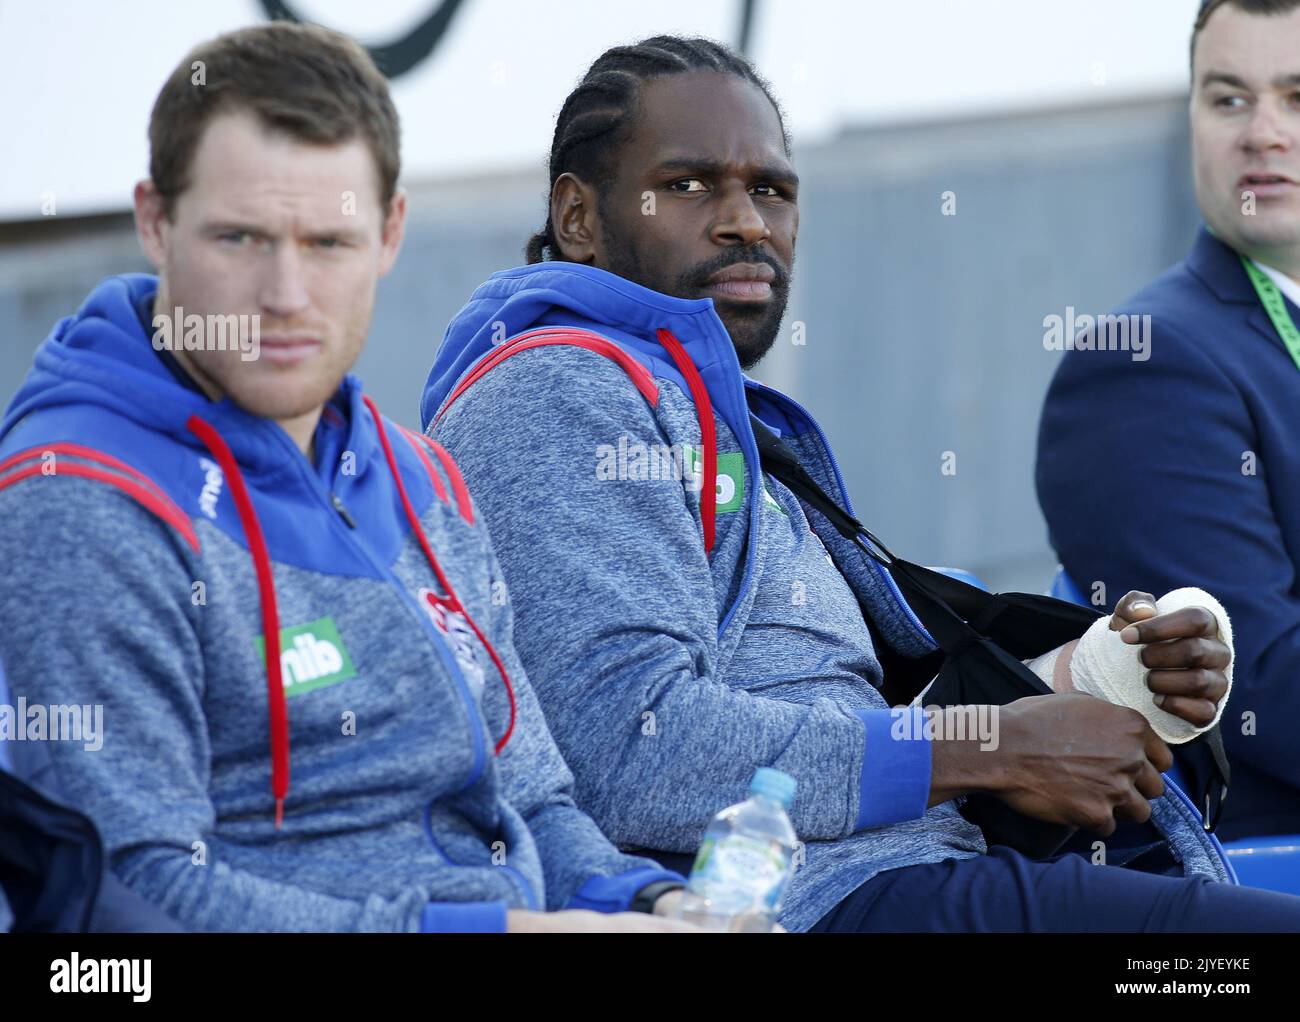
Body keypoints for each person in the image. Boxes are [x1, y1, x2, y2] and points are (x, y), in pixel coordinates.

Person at [422, 34, 1300, 932]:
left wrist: (1087, 676)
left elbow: (848, 709)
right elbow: (626, 746)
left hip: (918, 872)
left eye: (770, 190)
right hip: (812, 907)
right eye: (689, 185)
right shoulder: (554, 391)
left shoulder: (719, 410)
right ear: (578, 217)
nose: (745, 223)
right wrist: (986, 749)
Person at [0, 22, 696, 933]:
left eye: (328, 242)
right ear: (155, 223)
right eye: (242, 238)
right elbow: (132, 904)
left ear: (391, 233)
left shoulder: (424, 481)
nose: (285, 294)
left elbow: (533, 807)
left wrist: (656, 901)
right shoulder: (79, 502)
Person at [1037, 0, 1300, 840]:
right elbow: (1263, 690)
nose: (1262, 132)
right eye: (1228, 98)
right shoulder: (1146, 362)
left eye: (1299, 98)